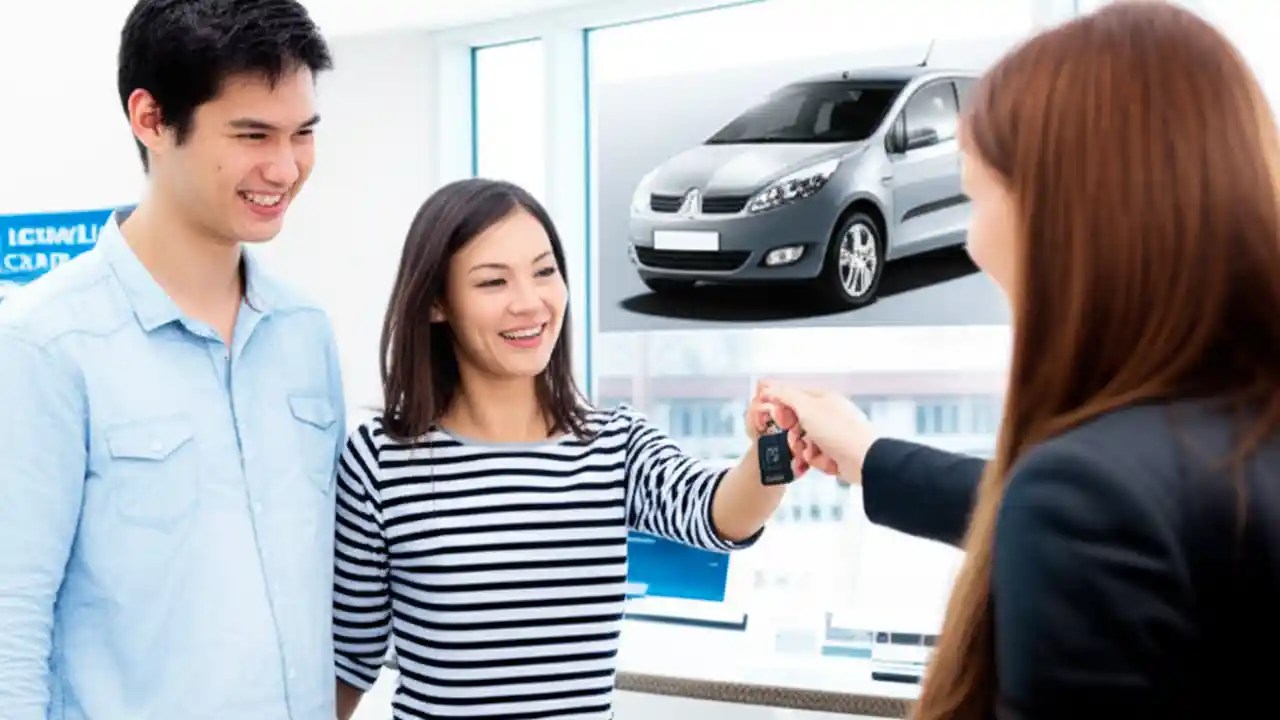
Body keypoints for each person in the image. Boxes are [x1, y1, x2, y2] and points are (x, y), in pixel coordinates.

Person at [762, 3, 1280, 719]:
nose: (972, 245)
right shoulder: (1234, 440)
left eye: (976, 198)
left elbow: (1100, 517)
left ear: (1067, 216)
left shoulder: (1091, 497)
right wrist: (869, 456)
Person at [332, 178, 787, 719]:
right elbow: (347, 662)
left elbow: (717, 513)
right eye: (493, 282)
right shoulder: (378, 463)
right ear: (436, 303)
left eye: (544, 272)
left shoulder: (613, 444)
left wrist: (771, 453)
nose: (530, 303)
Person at [0, 2, 344, 718]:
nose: (284, 167)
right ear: (151, 118)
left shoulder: (305, 333)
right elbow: (10, 623)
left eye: (302, 134)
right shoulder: (43, 346)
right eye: (252, 134)